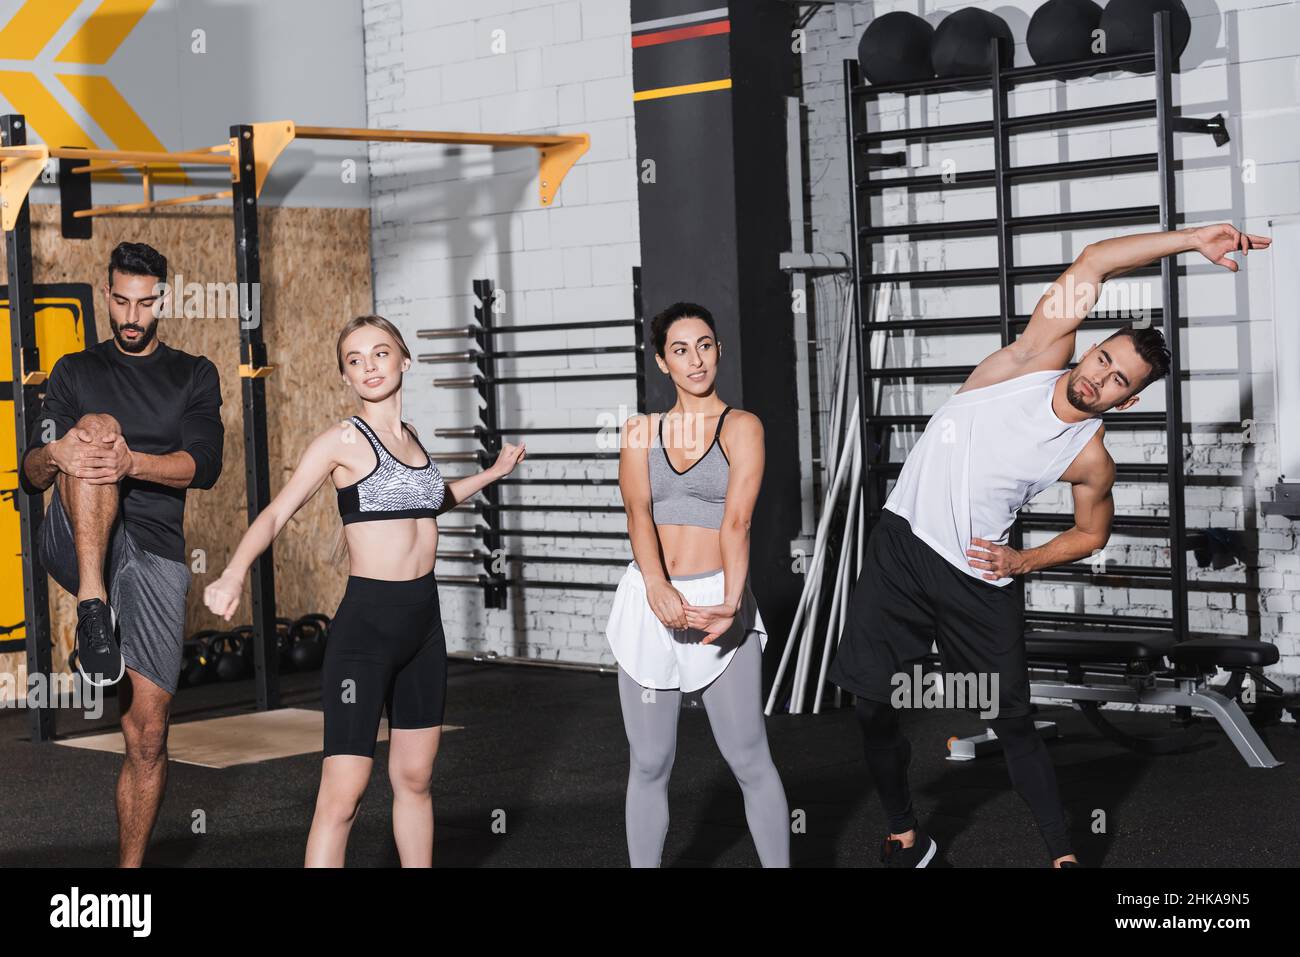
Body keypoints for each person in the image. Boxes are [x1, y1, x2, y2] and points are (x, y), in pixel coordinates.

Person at [828, 223, 1271, 867]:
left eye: (1118, 381)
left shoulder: (1092, 458)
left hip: (979, 581)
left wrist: (1025, 560)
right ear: (1088, 350)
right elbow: (1093, 262)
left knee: (1009, 722)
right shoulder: (1029, 359)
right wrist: (1193, 240)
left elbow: (1094, 533)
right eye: (1103, 360)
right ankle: (907, 834)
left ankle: (1062, 855)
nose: (1100, 378)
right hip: (902, 547)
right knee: (872, 704)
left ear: (1127, 401)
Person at [203, 314, 524, 867]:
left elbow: (431, 500)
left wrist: (490, 475)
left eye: (380, 353)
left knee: (416, 779)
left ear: (405, 359)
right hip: (367, 630)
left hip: (423, 624)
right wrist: (233, 572)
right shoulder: (342, 442)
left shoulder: (414, 438)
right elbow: (278, 511)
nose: (369, 367)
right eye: (355, 360)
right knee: (344, 792)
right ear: (345, 378)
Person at [19, 242, 224, 867]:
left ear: (162, 299)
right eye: (122, 301)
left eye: (145, 302)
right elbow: (31, 473)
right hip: (78, 542)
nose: (132, 316)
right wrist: (60, 453)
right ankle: (91, 607)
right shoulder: (74, 371)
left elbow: (205, 467)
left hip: (156, 554)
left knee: (149, 735)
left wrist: (132, 462)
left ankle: (128, 879)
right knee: (97, 425)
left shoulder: (194, 372)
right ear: (106, 295)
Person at [607, 301, 789, 868]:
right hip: (651, 604)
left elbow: (738, 521)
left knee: (749, 757)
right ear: (662, 362)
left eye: (705, 345)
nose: (696, 359)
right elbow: (638, 514)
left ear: (718, 350)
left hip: (718, 601)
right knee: (649, 762)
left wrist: (732, 605)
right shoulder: (640, 431)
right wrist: (656, 585)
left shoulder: (742, 427)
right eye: (681, 349)